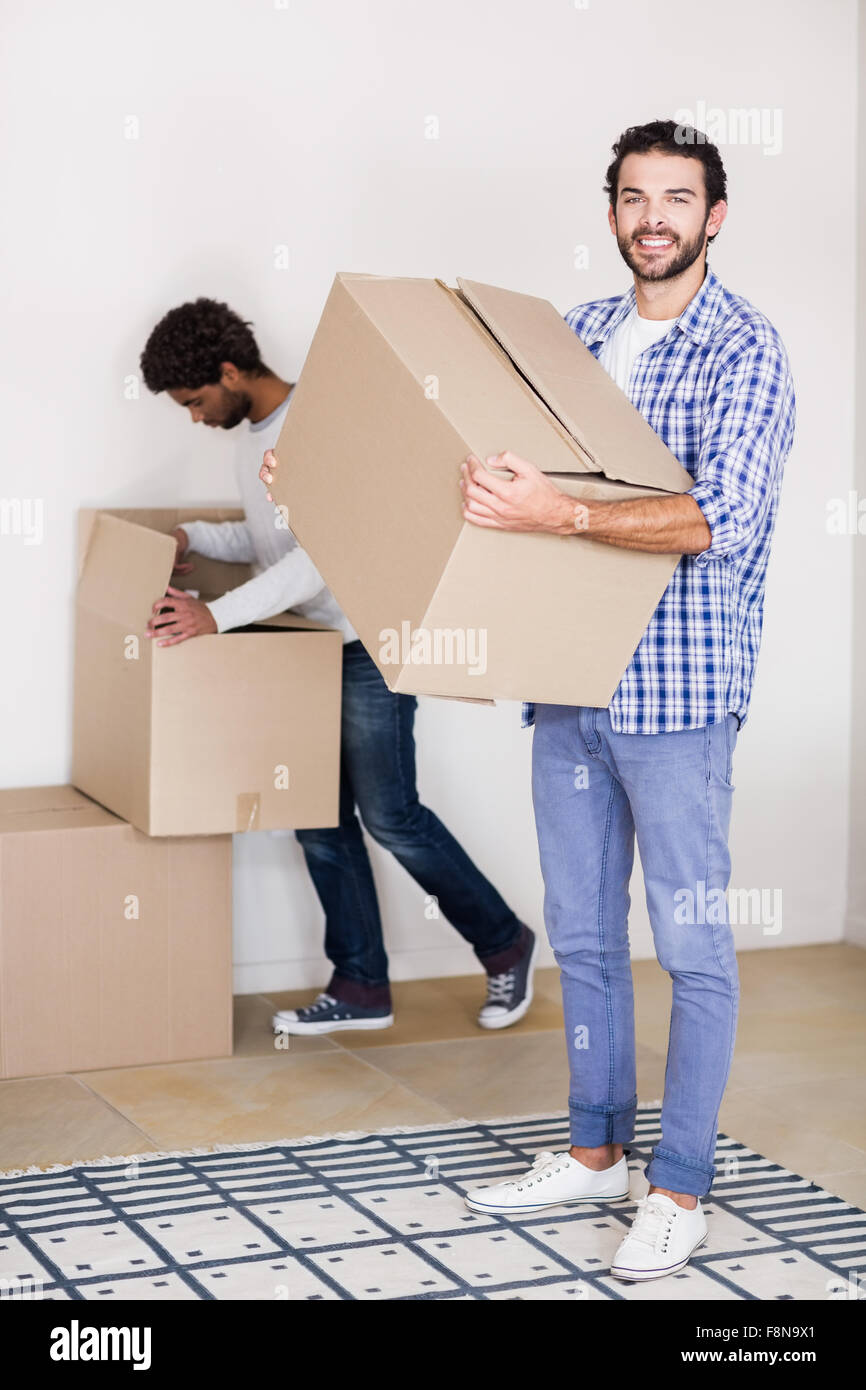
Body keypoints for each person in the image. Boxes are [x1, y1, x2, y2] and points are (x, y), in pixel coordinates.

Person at [458, 120, 795, 1281]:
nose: (654, 215)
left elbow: (718, 519)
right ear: (611, 212)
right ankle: (594, 1150)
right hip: (568, 683)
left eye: (678, 196)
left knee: (692, 949)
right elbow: (494, 472)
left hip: (680, 690)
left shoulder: (744, 349)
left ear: (713, 216)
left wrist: (570, 519)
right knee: (586, 935)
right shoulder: (578, 336)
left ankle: (679, 1186)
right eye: (633, 195)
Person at [139, 299, 537, 1035]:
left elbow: (317, 564)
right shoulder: (248, 438)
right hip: (308, 652)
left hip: (367, 645)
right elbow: (273, 549)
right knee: (318, 822)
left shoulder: (317, 423)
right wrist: (193, 535)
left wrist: (214, 616)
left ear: (229, 371)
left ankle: (505, 942)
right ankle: (360, 986)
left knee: (392, 818)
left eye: (196, 401)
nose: (195, 418)